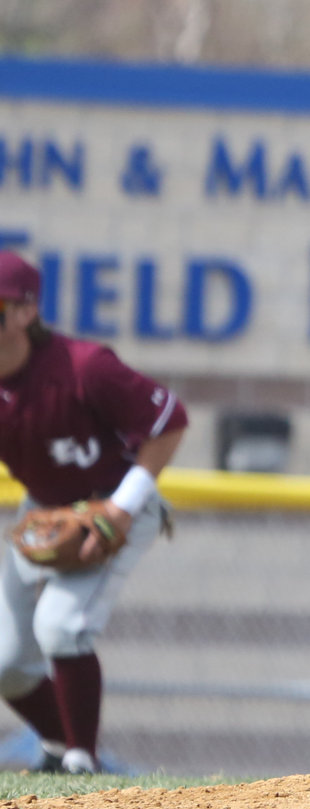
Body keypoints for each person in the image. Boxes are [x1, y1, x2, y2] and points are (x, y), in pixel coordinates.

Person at [0, 252, 186, 772]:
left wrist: (122, 510)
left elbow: (170, 423)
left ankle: (83, 764)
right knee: (5, 662)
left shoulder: (83, 367)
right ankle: (63, 751)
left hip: (117, 503)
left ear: (26, 312)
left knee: (61, 626)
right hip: (44, 507)